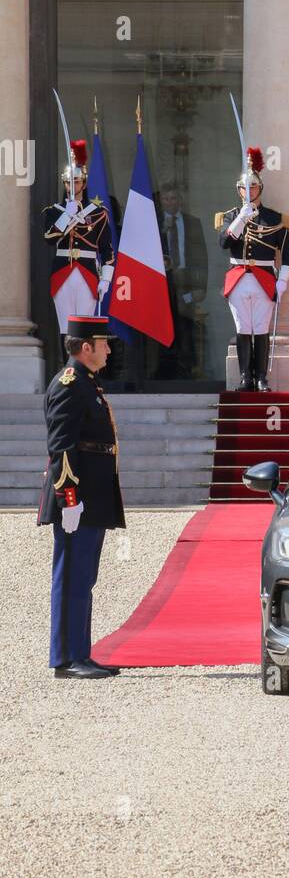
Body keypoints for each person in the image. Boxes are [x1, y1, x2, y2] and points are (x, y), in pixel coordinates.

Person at [36, 315, 124, 680]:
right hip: (78, 498)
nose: (107, 348)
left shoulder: (88, 383)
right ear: (85, 347)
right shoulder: (69, 385)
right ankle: (67, 658)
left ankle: (80, 653)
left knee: (83, 577)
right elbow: (61, 446)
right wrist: (69, 499)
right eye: (103, 342)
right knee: (72, 576)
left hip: (92, 495)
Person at [218, 147, 289, 393]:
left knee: (260, 328)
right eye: (244, 188)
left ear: (259, 189)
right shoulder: (231, 216)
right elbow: (224, 243)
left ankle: (261, 377)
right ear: (238, 190)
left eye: (253, 188)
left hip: (263, 278)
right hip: (238, 277)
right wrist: (241, 218)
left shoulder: (274, 218)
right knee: (242, 328)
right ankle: (245, 377)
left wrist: (282, 281)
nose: (248, 192)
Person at [43, 139, 114, 338]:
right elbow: (49, 238)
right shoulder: (54, 212)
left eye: (76, 181)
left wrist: (106, 280)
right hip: (62, 270)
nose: (72, 185)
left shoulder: (98, 212)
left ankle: (82, 370)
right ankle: (69, 369)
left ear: (83, 182)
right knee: (66, 329)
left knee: (84, 331)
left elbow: (107, 249)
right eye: (68, 182)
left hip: (88, 271)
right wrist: (67, 215)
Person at [157, 181, 208, 379]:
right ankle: (165, 370)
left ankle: (187, 368)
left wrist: (201, 286)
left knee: (185, 325)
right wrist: (163, 230)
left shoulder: (192, 222)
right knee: (164, 324)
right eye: (166, 199)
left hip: (186, 280)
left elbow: (202, 257)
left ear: (180, 200)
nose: (170, 202)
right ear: (161, 201)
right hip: (162, 281)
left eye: (173, 198)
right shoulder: (156, 222)